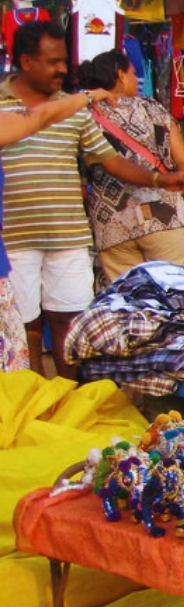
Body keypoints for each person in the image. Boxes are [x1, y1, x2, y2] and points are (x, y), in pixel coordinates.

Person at [0, 22, 127, 378]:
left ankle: (70, 400)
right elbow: (35, 119)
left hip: (67, 233)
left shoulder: (72, 110)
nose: (62, 69)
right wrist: (87, 97)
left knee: (70, 319)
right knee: (24, 326)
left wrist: (158, 178)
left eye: (63, 61)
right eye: (53, 61)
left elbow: (109, 160)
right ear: (26, 61)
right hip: (12, 239)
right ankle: (33, 404)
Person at [78, 50, 184, 283]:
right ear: (120, 75)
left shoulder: (85, 114)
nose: (137, 80)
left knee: (130, 304)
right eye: (133, 73)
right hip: (164, 219)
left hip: (113, 229)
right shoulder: (150, 108)